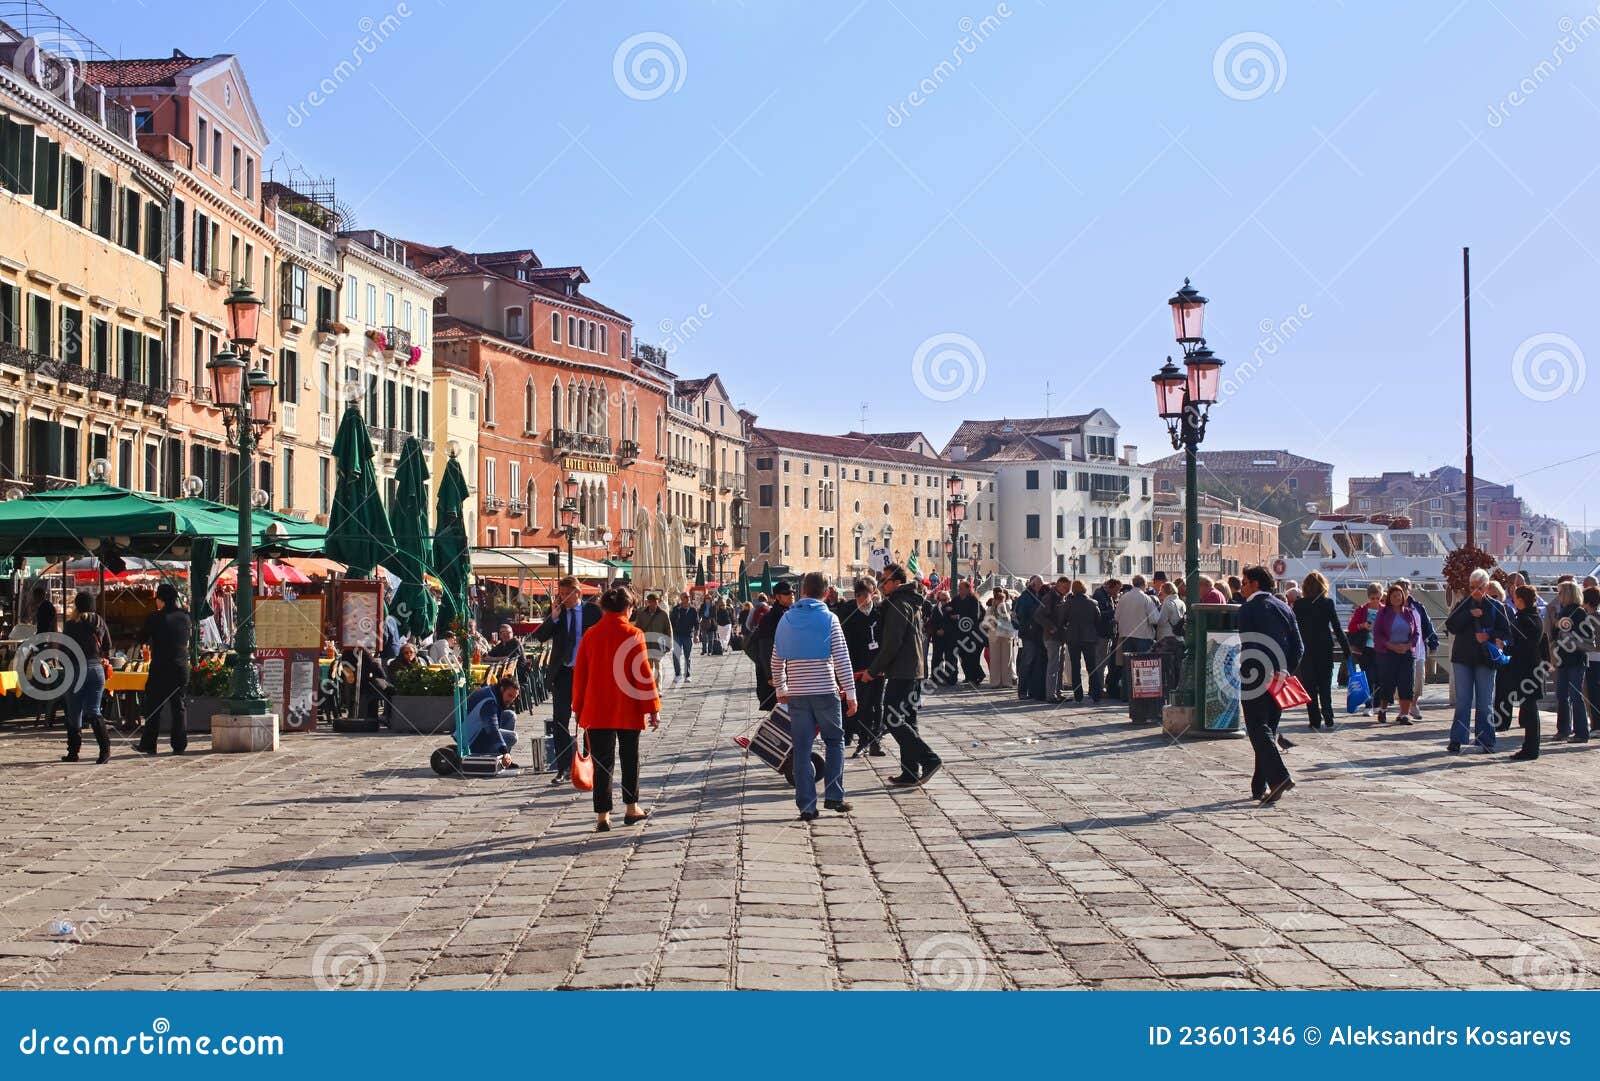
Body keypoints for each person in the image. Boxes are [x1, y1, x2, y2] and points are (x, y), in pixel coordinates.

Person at [572, 585, 661, 832]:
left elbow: (580, 675)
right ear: (628, 608)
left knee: (602, 762)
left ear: (604, 608)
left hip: (597, 708)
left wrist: (578, 707)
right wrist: (653, 708)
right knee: (630, 758)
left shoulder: (591, 634)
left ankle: (603, 815)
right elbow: (643, 674)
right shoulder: (634, 634)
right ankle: (631, 808)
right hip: (627, 707)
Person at [774, 572, 858, 820]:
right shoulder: (830, 618)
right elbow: (842, 659)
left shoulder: (787, 619)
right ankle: (834, 796)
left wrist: (781, 688)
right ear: (826, 593)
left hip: (798, 694)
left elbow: (776, 659)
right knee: (834, 741)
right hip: (825, 691)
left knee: (801, 749)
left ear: (803, 591)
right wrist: (851, 693)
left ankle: (807, 806)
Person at [865, 563, 941, 787]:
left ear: (897, 582)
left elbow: (892, 643)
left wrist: (873, 670)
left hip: (903, 670)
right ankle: (910, 771)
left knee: (892, 717)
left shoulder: (898, 603)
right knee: (908, 719)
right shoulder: (909, 600)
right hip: (913, 669)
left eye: (885, 580)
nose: (881, 584)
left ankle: (929, 759)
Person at [1236, 566, 1302, 804]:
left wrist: (1261, 670)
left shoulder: (1248, 609)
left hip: (1256, 676)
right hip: (1279, 678)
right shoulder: (1284, 607)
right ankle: (1259, 786)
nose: (1241, 587)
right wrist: (1284, 671)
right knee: (1268, 729)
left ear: (1255, 584)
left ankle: (1279, 777)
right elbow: (1298, 646)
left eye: (1244, 582)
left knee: (1257, 728)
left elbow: (1250, 643)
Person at [533, 576, 599, 783]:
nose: (562, 598)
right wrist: (553, 617)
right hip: (563, 672)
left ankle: (589, 763)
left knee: (589, 719)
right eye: (560, 594)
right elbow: (540, 636)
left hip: (587, 673)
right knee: (560, 720)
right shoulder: (557, 612)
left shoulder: (593, 611)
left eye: (566, 594)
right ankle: (563, 768)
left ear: (577, 593)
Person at [1443, 568, 1509, 754]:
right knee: (1463, 700)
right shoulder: (1463, 604)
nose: (1475, 591)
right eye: (1472, 587)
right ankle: (1457, 739)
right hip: (1463, 657)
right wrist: (1469, 615)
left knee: (1485, 702)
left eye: (1479, 587)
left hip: (1485, 659)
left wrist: (1489, 635)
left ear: (1487, 587)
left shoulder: (1496, 606)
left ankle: (1486, 739)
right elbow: (1451, 625)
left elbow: (1506, 632)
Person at [135, 583, 193, 756]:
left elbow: (141, 637)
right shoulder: (185, 616)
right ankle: (179, 745)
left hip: (160, 667)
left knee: (153, 706)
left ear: (161, 600)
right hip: (180, 667)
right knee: (178, 707)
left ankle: (149, 744)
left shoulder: (155, 617)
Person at [1292, 571, 1350, 731]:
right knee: (1325, 684)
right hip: (1325, 648)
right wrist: (1347, 650)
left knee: (1310, 686)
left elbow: (1293, 629)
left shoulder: (1299, 605)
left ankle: (1314, 718)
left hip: (1306, 649)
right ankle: (1328, 714)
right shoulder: (1328, 603)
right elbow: (1337, 628)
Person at [59, 591, 111, 763]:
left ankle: (73, 752)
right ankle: (105, 750)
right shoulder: (100, 622)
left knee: (74, 713)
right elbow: (107, 645)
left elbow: (65, 649)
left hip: (76, 670)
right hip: (96, 669)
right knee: (94, 711)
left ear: (77, 606)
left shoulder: (71, 625)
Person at [839, 578, 885, 757]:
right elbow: (845, 642)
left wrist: (882, 664)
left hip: (877, 666)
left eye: (864, 595)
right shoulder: (849, 612)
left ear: (872, 593)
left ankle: (875, 742)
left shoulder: (880, 612)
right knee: (863, 704)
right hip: (857, 667)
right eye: (858, 595)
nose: (861, 599)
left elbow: (885, 640)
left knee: (877, 705)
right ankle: (863, 741)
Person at [1505, 586, 1548, 761]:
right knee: (1530, 709)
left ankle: (1530, 749)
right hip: (1534, 668)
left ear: (1521, 600)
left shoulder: (1524, 619)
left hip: (1526, 670)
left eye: (1515, 598)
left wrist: (1504, 648)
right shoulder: (1536, 617)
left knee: (1529, 710)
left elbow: (1522, 647)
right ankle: (1530, 747)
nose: (1514, 600)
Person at [1547, 580, 1591, 743]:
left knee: (1574, 695)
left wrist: (1568, 635)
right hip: (1564, 658)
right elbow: (1554, 633)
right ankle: (1564, 729)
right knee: (1562, 695)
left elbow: (1587, 636)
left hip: (1575, 658)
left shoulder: (1579, 612)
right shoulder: (1563, 611)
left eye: (1560, 593)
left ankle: (1581, 732)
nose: (1558, 596)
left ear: (1567, 594)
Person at [1372, 584, 1421, 725]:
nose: (1396, 598)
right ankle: (1383, 709)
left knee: (1407, 683)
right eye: (1393, 596)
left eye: (1399, 596)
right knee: (1387, 682)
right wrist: (1391, 645)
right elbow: (1377, 634)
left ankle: (1404, 714)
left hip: (1406, 653)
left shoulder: (1409, 613)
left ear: (1403, 597)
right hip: (1388, 653)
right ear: (1389, 598)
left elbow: (1416, 633)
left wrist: (1408, 645)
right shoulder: (1383, 613)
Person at [1394, 578, 1438, 721]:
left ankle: (1413, 704)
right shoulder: (1392, 608)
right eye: (1400, 589)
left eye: (1405, 589)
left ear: (1409, 591)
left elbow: (1427, 625)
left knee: (1419, 680)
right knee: (1402, 681)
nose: (1403, 593)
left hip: (1418, 650)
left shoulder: (1418, 607)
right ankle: (1403, 709)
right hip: (1399, 650)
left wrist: (1433, 642)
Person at [751, 581, 794, 712]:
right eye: (787, 593)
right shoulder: (769, 618)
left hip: (792, 671)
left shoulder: (794, 614)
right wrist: (770, 675)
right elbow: (765, 648)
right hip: (776, 672)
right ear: (778, 597)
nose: (791, 595)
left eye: (793, 592)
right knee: (779, 710)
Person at [464, 675, 521, 770]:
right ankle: (502, 758)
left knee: (510, 715)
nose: (511, 700)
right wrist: (504, 751)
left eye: (514, 697)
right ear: (502, 689)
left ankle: (505, 759)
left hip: (477, 729)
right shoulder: (489, 701)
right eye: (510, 695)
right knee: (512, 737)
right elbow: (492, 729)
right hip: (472, 739)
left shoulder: (492, 691)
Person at [1346, 583, 1383, 718]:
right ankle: (1368, 705)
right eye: (1372, 598)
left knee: (1379, 677)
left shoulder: (1385, 610)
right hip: (1365, 648)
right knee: (1368, 677)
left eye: (1377, 598)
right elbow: (1351, 627)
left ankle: (1377, 704)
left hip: (1380, 648)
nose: (1375, 601)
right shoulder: (1361, 610)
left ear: (1381, 596)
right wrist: (1362, 625)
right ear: (1368, 597)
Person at [1113, 575, 1159, 686]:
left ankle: (1127, 692)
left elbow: (1116, 617)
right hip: (1143, 636)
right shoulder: (1146, 598)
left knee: (1127, 667)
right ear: (1144, 585)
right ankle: (1140, 691)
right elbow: (1154, 619)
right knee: (1142, 668)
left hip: (1125, 636)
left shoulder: (1123, 598)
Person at [1064, 579, 1103, 704]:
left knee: (1075, 667)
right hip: (1089, 637)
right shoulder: (1092, 603)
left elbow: (1063, 619)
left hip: (1073, 638)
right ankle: (1096, 694)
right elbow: (1098, 620)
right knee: (1091, 666)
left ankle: (1078, 695)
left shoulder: (1069, 603)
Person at [1035, 577, 1070, 702]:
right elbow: (1038, 615)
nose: (1067, 590)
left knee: (1059, 667)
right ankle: (1051, 694)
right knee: (1053, 667)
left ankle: (1058, 692)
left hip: (1060, 636)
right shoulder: (1049, 597)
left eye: (1068, 588)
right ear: (1059, 586)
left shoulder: (1062, 597)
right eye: (1065, 587)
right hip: (1052, 637)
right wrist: (1051, 627)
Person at [1013, 575, 1046, 701]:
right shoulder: (1026, 597)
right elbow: (1022, 614)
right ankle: (1022, 691)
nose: (1041, 586)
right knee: (1027, 662)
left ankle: (1032, 690)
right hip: (1029, 633)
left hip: (1035, 633)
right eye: (1040, 584)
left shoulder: (1036, 595)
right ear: (1033, 584)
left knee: (1034, 663)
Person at [949, 579, 987, 686]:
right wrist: (948, 609)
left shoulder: (973, 600)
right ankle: (969, 676)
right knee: (962, 655)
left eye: (961, 588)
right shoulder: (956, 599)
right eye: (959, 588)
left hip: (972, 633)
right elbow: (951, 607)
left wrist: (959, 616)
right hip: (959, 633)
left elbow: (975, 616)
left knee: (971, 656)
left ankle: (977, 676)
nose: (959, 590)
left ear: (967, 589)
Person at [633, 592, 672, 690]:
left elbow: (668, 629)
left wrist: (669, 644)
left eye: (655, 601)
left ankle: (658, 689)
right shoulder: (642, 614)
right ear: (648, 602)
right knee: (648, 668)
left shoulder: (663, 614)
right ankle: (651, 688)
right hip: (646, 645)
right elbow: (637, 629)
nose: (653, 604)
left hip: (658, 645)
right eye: (651, 602)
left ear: (658, 602)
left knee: (658, 667)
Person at [1093, 579, 1123, 699]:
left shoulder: (1108, 596)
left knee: (1103, 662)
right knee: (1100, 662)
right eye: (1116, 589)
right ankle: (1098, 688)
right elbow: (1099, 614)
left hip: (1106, 634)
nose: (1117, 592)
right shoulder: (1100, 596)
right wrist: (1115, 612)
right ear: (1110, 587)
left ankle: (1099, 687)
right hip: (1101, 634)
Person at [983, 587, 1016, 690]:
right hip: (995, 636)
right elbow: (985, 624)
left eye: (1002, 599)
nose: (1000, 602)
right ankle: (996, 682)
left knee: (1007, 659)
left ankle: (1006, 681)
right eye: (999, 599)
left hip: (1006, 635)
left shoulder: (1007, 607)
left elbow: (1011, 619)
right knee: (995, 659)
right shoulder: (990, 609)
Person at [669, 592, 698, 683]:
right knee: (676, 655)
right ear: (681, 598)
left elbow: (697, 624)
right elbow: (671, 622)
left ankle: (688, 675)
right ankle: (678, 674)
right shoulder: (676, 609)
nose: (688, 598)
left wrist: (696, 635)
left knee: (687, 656)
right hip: (677, 635)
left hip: (688, 635)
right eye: (686, 597)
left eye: (689, 596)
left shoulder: (693, 609)